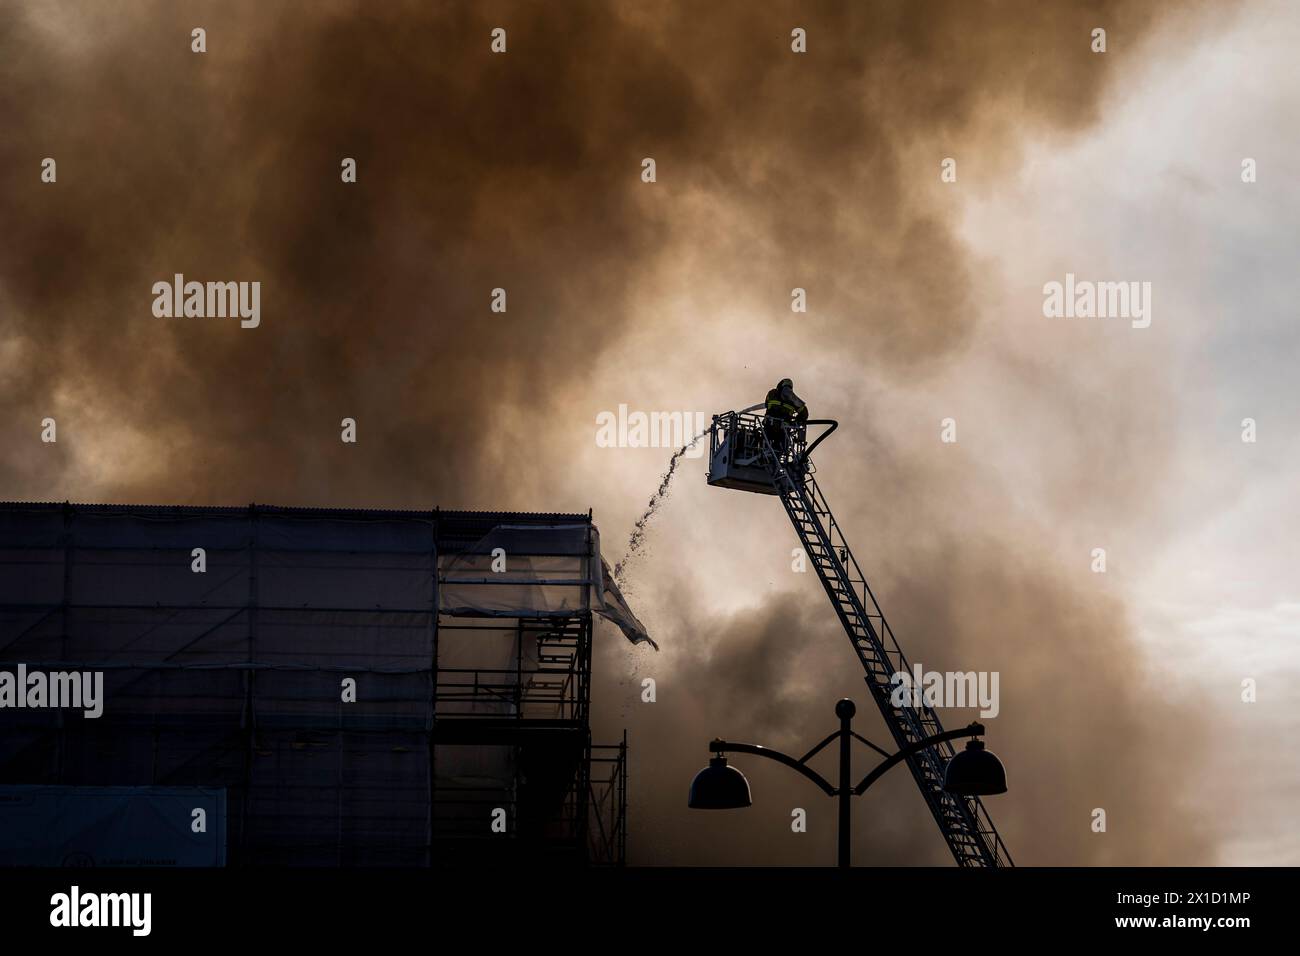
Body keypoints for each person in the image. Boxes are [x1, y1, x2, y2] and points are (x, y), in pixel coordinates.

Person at [763, 378, 808, 459]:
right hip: (783, 429)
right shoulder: (793, 398)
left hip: (770, 425)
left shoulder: (772, 393)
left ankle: (769, 454)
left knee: (768, 443)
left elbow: (766, 404)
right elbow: (804, 413)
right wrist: (796, 421)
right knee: (781, 446)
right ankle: (775, 455)